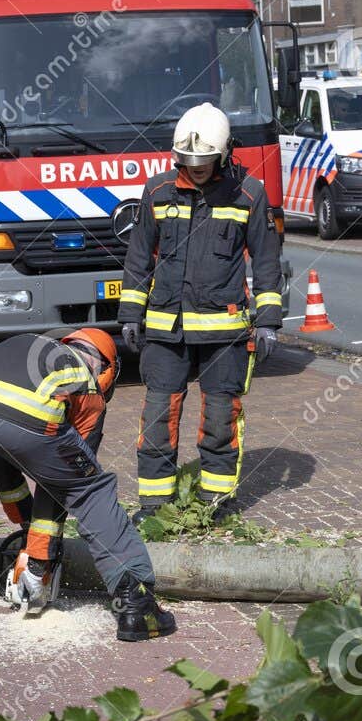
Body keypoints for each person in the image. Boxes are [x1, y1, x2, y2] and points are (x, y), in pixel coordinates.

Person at [0, 327, 175, 642]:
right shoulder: (85, 384)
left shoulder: (28, 345)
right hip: (29, 417)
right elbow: (61, 486)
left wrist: (26, 524)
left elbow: (0, 451)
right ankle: (137, 606)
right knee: (90, 491)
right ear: (106, 370)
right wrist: (39, 557)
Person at [117, 103, 283, 522]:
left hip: (224, 332)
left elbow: (265, 262)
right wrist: (130, 314)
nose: (196, 167)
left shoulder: (249, 194)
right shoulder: (157, 193)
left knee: (220, 416)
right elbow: (139, 261)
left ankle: (215, 500)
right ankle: (155, 503)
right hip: (165, 331)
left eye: (204, 160)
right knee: (158, 414)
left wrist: (267, 322)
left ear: (224, 153)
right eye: (188, 160)